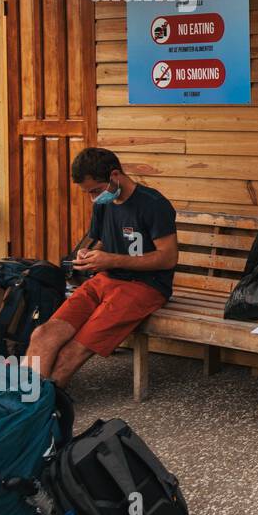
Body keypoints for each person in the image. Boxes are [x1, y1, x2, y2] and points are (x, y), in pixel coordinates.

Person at [27, 148, 178, 388]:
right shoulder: (102, 203)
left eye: (95, 190)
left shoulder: (153, 204)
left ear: (115, 175)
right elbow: (101, 241)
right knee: (43, 335)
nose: (92, 198)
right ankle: (20, 402)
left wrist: (111, 260)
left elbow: (168, 258)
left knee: (71, 353)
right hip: (105, 279)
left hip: (145, 287)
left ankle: (40, 410)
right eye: (86, 193)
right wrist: (88, 254)